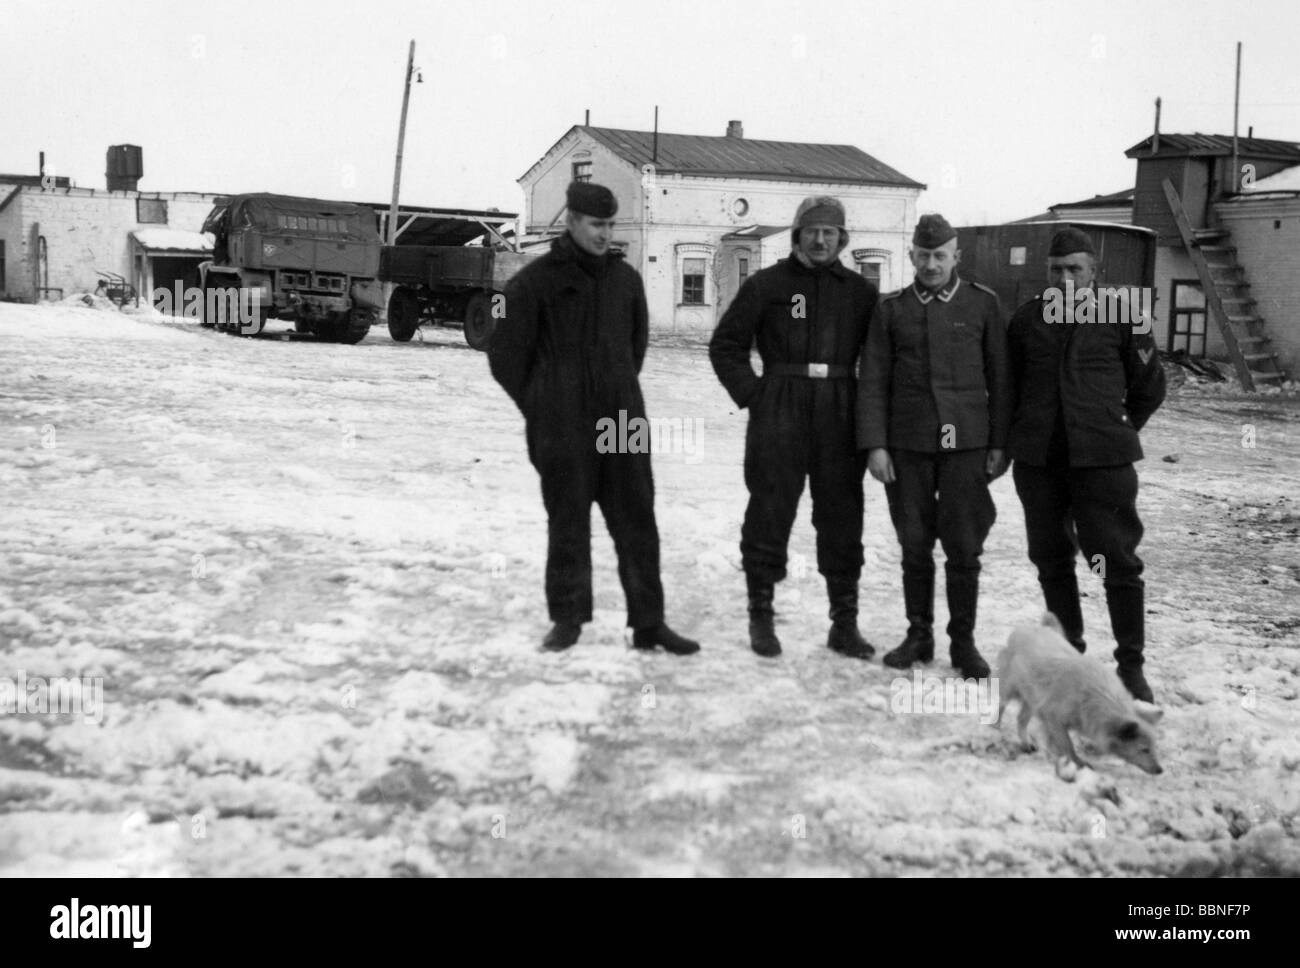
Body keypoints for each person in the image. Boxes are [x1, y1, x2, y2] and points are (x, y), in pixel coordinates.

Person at [487, 181, 699, 655]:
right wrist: (542, 406)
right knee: (568, 521)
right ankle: (567, 620)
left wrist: (616, 390)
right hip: (561, 425)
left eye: (609, 224)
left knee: (638, 519)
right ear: (572, 222)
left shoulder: (626, 281)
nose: (605, 234)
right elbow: (504, 356)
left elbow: (636, 347)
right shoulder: (533, 282)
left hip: (621, 420)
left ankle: (649, 623)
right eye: (595, 224)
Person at [709, 195, 877, 659]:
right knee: (770, 511)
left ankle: (844, 624)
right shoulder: (767, 285)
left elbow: (881, 361)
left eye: (830, 232)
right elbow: (726, 346)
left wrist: (871, 418)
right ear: (797, 234)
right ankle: (761, 617)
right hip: (779, 409)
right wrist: (755, 395)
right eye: (812, 231)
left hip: (840, 413)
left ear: (842, 239)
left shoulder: (860, 293)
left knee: (842, 517)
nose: (820, 240)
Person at [1006, 226, 1165, 702]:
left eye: (1076, 268)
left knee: (1117, 561)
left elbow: (1149, 387)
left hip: (1103, 464)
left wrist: (1113, 431)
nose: (1066, 277)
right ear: (1046, 272)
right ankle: (1070, 654)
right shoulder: (1027, 320)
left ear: (1095, 272)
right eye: (1057, 269)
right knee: (1052, 560)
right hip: (1041, 463)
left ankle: (1130, 667)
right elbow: (1010, 389)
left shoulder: (1122, 317)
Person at [858, 214, 1010, 679]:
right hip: (908, 445)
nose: (931, 264)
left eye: (940, 256)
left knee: (964, 547)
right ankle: (918, 635)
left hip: (966, 444)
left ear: (956, 257)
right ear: (911, 257)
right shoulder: (890, 310)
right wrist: (875, 445)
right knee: (915, 544)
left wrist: (1000, 443)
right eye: (923, 256)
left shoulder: (982, 305)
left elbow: (1001, 379)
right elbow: (874, 380)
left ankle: (963, 643)